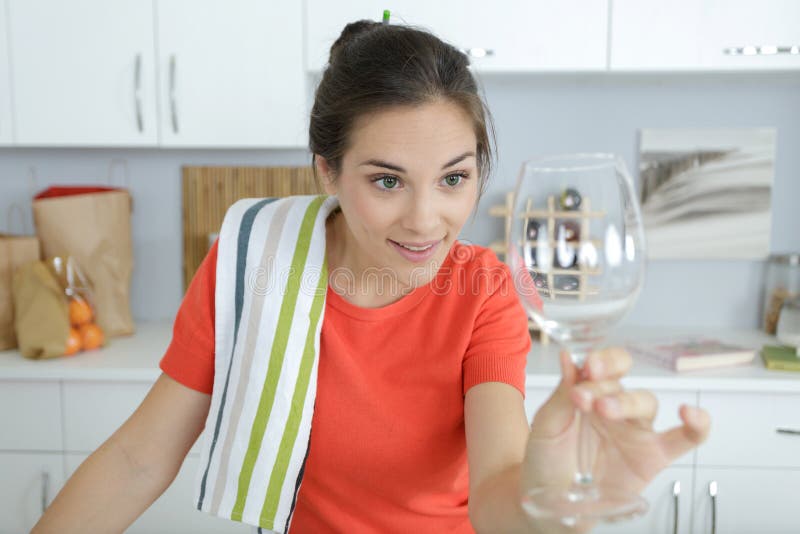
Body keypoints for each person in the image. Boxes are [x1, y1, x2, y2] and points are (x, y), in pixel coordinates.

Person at [32, 20, 710, 534]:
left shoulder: (483, 290)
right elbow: (137, 461)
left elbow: (497, 488)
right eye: (387, 180)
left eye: (454, 179)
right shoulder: (254, 260)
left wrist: (553, 497)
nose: (425, 219)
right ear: (326, 169)